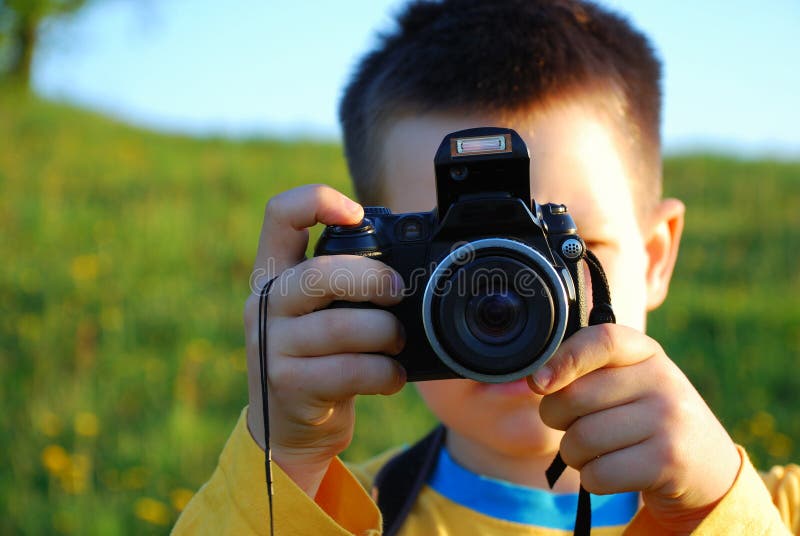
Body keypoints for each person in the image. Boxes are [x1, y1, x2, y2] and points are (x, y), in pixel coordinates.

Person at [173, 1, 799, 534]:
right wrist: (283, 458)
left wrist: (717, 508)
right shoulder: (326, 513)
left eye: (564, 249)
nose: (503, 300)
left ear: (655, 256)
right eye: (456, 259)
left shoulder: (773, 509)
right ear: (374, 276)